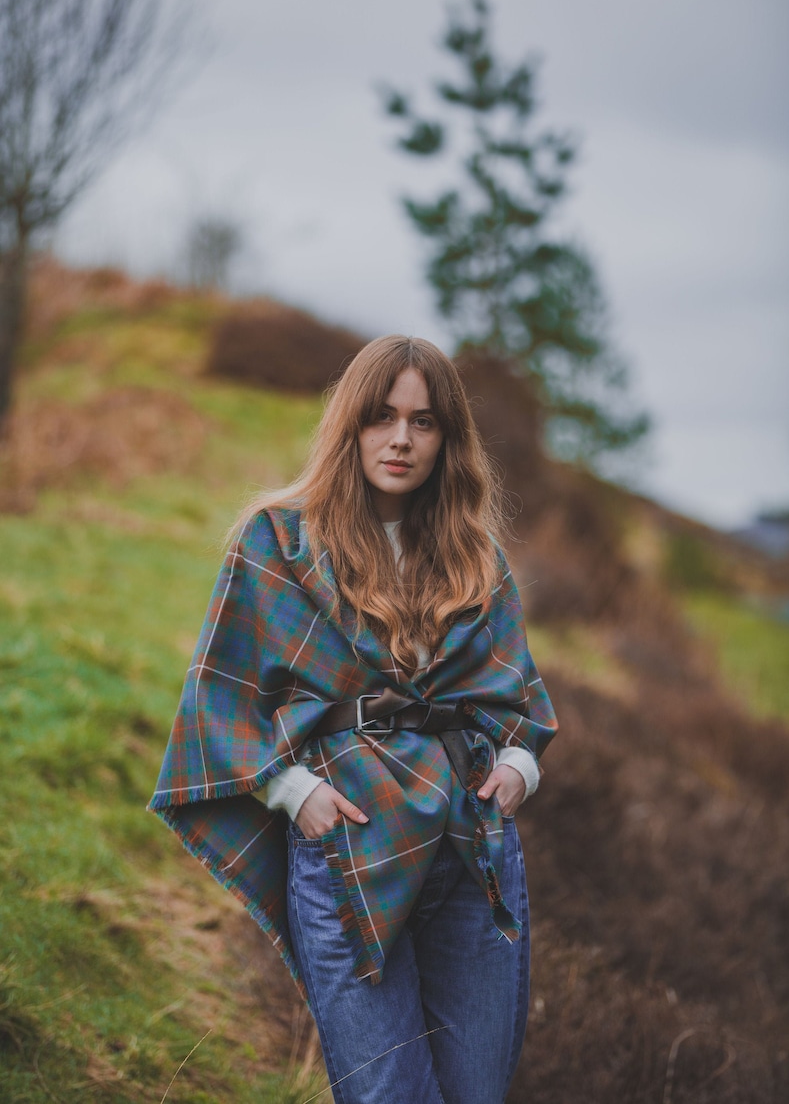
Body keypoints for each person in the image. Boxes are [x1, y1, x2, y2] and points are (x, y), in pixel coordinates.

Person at [149, 335, 557, 1104]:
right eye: (382, 416)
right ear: (351, 423)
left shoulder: (476, 558)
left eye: (424, 421)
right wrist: (297, 795)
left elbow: (520, 701)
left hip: (473, 854)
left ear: (448, 439)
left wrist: (517, 771)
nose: (401, 438)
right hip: (347, 852)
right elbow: (220, 700)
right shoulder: (277, 540)